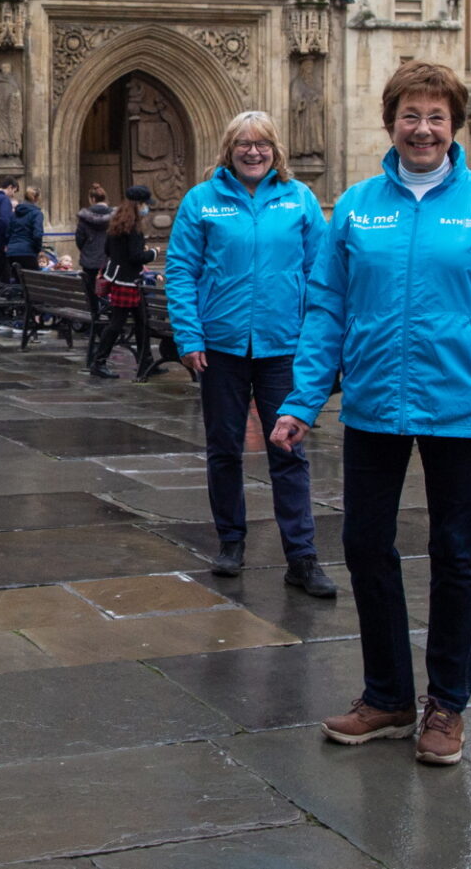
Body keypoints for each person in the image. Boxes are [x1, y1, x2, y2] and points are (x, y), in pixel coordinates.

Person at [272, 61, 471, 769]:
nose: (423, 128)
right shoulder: (358, 206)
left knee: (455, 555)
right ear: (389, 121)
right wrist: (302, 399)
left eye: (437, 116)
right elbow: (328, 308)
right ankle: (388, 694)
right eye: (410, 115)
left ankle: (446, 702)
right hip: (373, 402)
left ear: (454, 125)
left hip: (460, 404)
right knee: (365, 545)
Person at [166, 111, 333, 598]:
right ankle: (231, 541)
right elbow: (180, 272)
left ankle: (301, 556)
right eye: (243, 143)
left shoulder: (299, 199)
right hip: (220, 347)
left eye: (262, 143)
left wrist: (313, 338)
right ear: (228, 149)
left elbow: (321, 273)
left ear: (276, 149)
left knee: (288, 450)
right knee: (224, 449)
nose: (253, 151)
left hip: (284, 346)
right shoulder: (202, 201)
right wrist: (189, 336)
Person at [88, 185, 157, 380]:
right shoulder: (133, 228)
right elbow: (136, 256)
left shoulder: (117, 223)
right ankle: (98, 362)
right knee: (117, 323)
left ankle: (146, 361)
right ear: (139, 204)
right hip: (128, 281)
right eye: (145, 204)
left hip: (118, 277)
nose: (147, 209)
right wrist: (153, 253)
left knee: (142, 321)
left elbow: (109, 251)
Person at [75, 185, 114, 344]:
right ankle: (107, 324)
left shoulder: (84, 219)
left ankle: (94, 324)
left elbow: (79, 240)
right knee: (106, 293)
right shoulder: (114, 217)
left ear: (91, 199)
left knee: (92, 294)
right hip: (107, 261)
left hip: (89, 261)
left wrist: (87, 250)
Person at [7, 186, 45, 272]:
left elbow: (8, 232)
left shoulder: (14, 214)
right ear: (37, 198)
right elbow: (37, 234)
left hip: (11, 252)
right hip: (27, 252)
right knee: (35, 281)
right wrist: (37, 249)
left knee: (17, 281)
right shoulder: (37, 213)